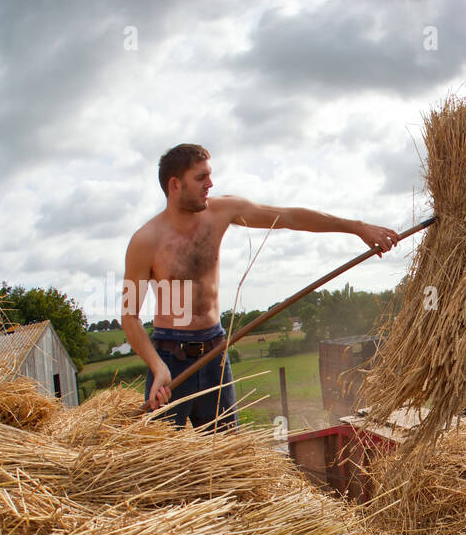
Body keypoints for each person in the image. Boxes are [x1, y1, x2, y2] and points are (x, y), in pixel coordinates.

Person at [122, 143, 401, 428]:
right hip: (171, 362)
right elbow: (129, 316)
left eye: (209, 176)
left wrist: (357, 227)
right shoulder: (145, 241)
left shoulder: (221, 212)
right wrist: (158, 366)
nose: (211, 184)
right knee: (167, 463)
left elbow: (290, 218)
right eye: (200, 178)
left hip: (216, 353)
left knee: (228, 460)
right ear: (174, 184)